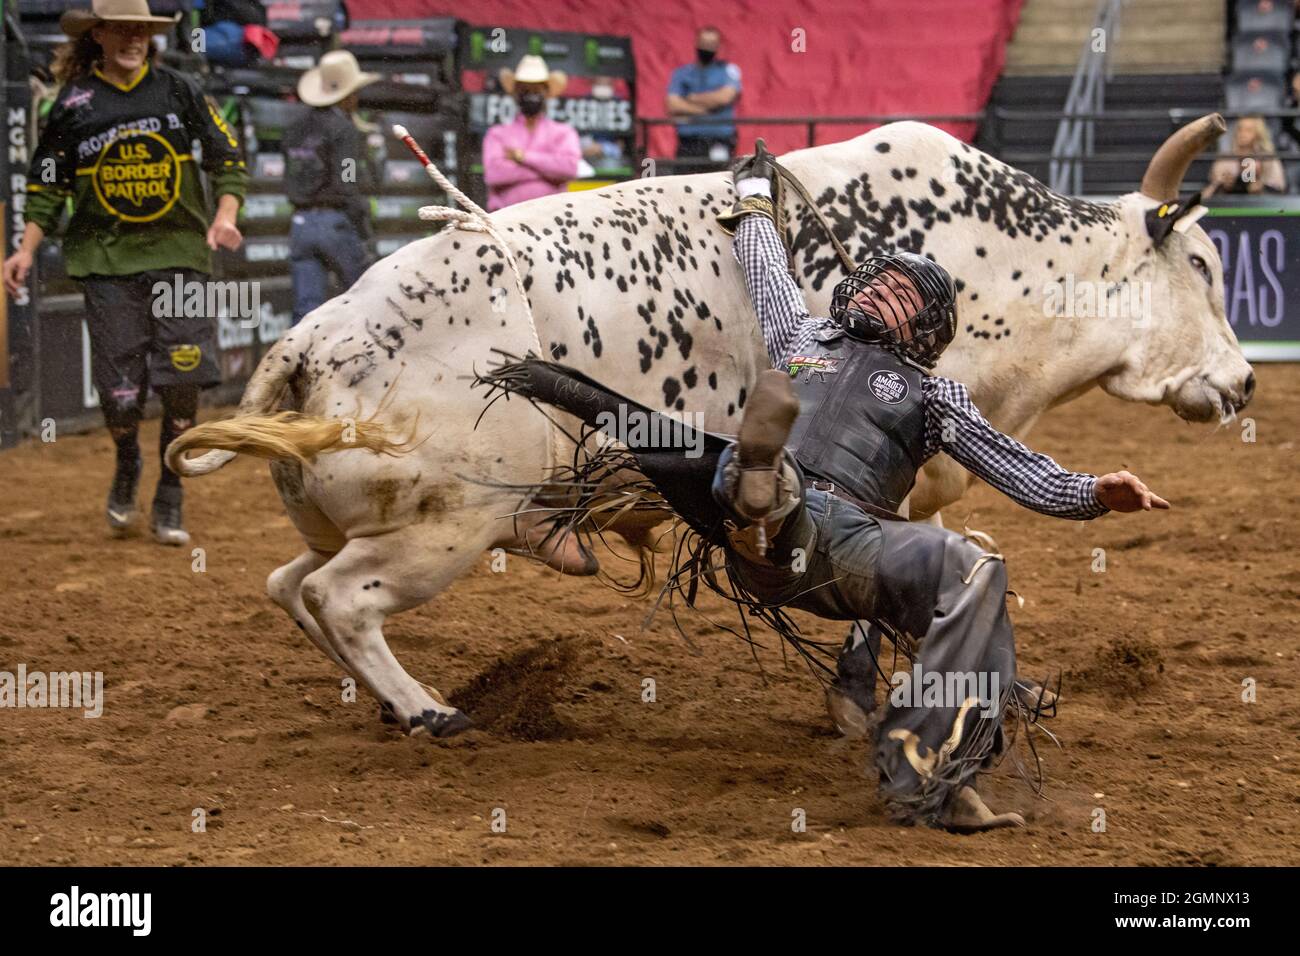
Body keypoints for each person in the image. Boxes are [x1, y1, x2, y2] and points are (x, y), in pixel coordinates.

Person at [2, 0, 247, 546]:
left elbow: (226, 157)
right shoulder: (72, 103)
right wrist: (24, 250)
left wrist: (226, 215)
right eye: (121, 29)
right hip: (106, 263)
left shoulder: (179, 90)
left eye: (140, 30)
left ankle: (170, 489)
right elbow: (46, 187)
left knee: (183, 379)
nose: (132, 39)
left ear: (151, 37)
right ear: (100, 35)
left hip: (182, 257)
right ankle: (128, 459)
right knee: (119, 394)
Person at [285, 49, 378, 325]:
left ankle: (298, 366)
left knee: (306, 308)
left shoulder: (294, 128)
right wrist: (361, 219)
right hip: (334, 222)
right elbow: (346, 180)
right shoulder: (343, 130)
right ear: (348, 96)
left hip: (300, 223)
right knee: (365, 295)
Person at [482, 55, 580, 212]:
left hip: (554, 219)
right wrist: (548, 172)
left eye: (536, 89)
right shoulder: (497, 134)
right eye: (525, 89)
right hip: (506, 221)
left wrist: (523, 157)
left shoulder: (563, 132)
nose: (531, 94)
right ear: (516, 93)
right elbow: (494, 174)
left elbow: (569, 168)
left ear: (546, 93)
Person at [666, 26, 742, 166]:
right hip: (688, 142)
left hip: (719, 140)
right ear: (697, 43)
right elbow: (673, 104)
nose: (707, 48)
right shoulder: (681, 73)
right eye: (704, 43)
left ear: (718, 46)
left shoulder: (728, 70)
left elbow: (725, 97)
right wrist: (706, 110)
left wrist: (691, 98)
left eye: (712, 44)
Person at [1210, 116, 1288, 193]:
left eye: (1248, 130)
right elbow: (1211, 190)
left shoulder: (1268, 158)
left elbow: (1279, 188)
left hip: (1261, 202)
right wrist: (1225, 183)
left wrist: (1261, 186)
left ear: (1258, 133)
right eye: (1240, 129)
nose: (1242, 134)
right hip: (1230, 201)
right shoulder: (1226, 158)